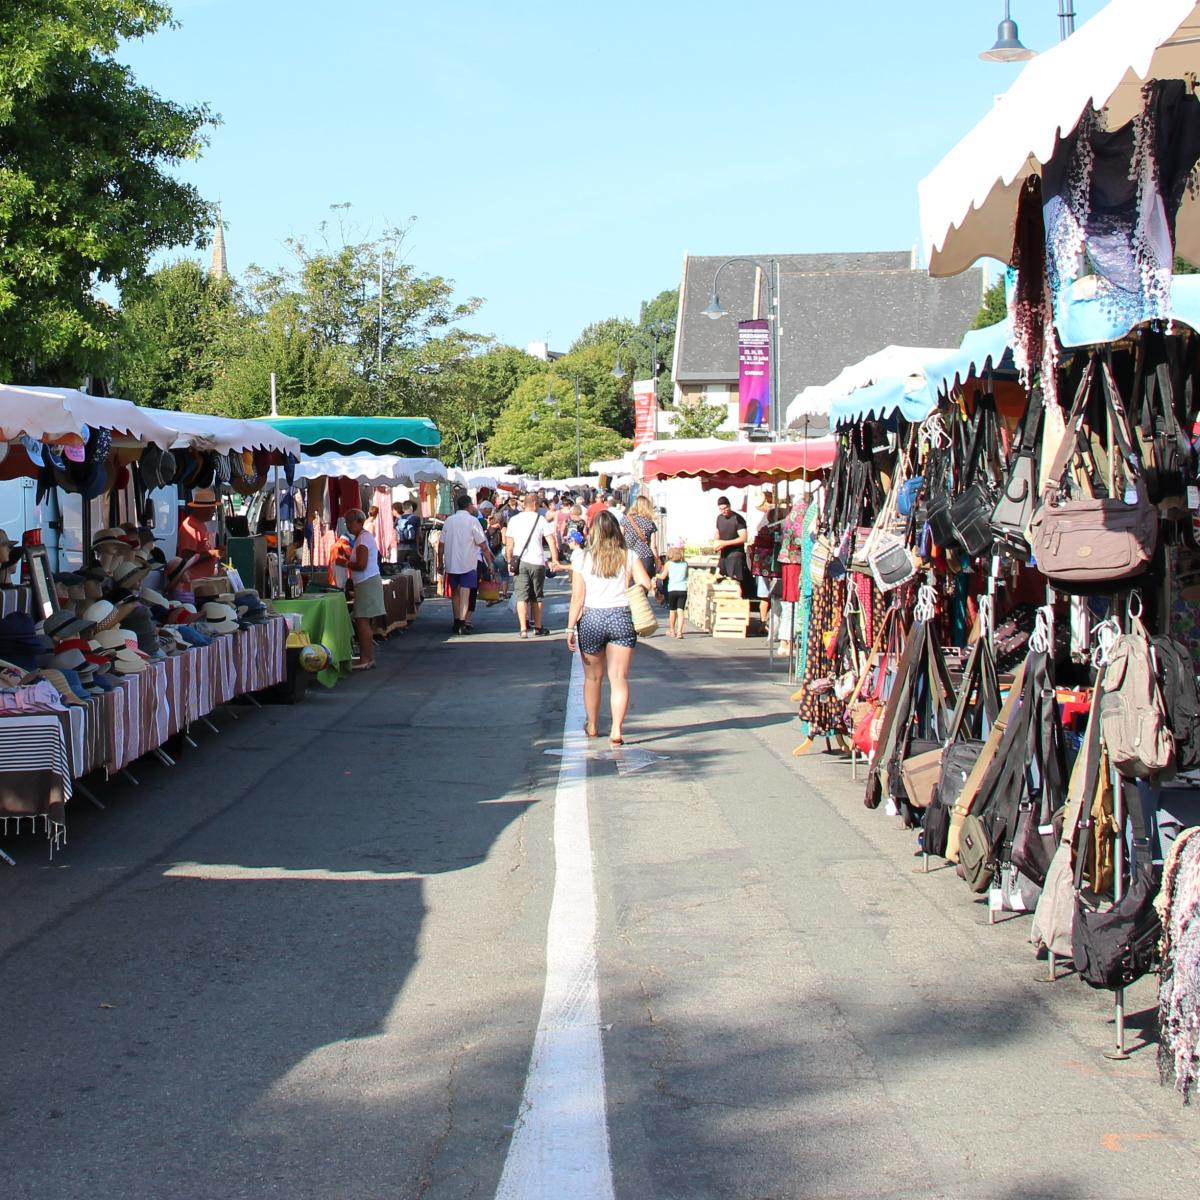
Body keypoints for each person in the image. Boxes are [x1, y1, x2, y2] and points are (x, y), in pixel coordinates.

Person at [566, 510, 654, 746]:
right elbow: (647, 583)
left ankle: (593, 724)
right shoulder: (629, 555)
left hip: (592, 617)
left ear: (592, 531)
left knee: (593, 678)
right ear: (617, 530)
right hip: (621, 617)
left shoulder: (582, 558)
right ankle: (616, 729)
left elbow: (578, 597)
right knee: (619, 678)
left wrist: (569, 628)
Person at [505, 493, 561, 638]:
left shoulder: (514, 520)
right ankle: (537, 626)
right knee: (537, 596)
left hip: (519, 562)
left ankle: (523, 629)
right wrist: (555, 559)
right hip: (537, 562)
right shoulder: (540, 519)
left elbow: (509, 545)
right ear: (535, 504)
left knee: (521, 596)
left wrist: (509, 561)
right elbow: (551, 541)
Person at [438, 495, 492, 635]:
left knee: (455, 592)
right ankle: (462, 622)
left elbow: (441, 544)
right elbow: (482, 544)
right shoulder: (473, 521)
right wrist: (489, 562)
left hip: (451, 562)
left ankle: (456, 620)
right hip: (468, 562)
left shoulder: (449, 521)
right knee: (465, 592)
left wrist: (440, 561)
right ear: (469, 506)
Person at [343, 508, 385, 670]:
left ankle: (365, 659)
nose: (347, 525)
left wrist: (346, 562)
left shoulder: (362, 540)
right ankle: (367, 658)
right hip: (366, 582)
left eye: (349, 522)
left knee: (362, 621)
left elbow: (361, 565)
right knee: (363, 621)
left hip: (366, 582)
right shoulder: (362, 538)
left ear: (359, 522)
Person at [177, 488, 226, 588]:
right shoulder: (189, 526)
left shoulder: (201, 525)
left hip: (203, 583)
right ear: (203, 508)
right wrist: (214, 553)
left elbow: (203, 550)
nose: (214, 511)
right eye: (212, 508)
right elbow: (188, 557)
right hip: (193, 585)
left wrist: (217, 550)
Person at [713, 495, 750, 598]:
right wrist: (716, 541)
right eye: (721, 509)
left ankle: (737, 604)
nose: (723, 511)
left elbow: (743, 538)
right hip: (724, 555)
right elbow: (717, 532)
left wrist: (724, 543)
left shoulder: (738, 519)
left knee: (734, 582)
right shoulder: (719, 518)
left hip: (736, 554)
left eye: (725, 508)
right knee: (720, 579)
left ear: (729, 506)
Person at [623, 494, 662, 581]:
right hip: (645, 558)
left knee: (629, 589)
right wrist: (657, 561)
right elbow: (653, 546)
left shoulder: (625, 520)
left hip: (628, 557)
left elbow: (619, 539)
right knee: (642, 591)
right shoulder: (650, 523)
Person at [657, 544, 690, 639]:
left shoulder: (669, 564)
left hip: (672, 590)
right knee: (681, 611)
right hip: (683, 589)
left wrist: (656, 575)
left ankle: (672, 630)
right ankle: (679, 632)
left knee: (672, 611)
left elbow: (663, 576)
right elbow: (686, 576)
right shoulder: (685, 564)